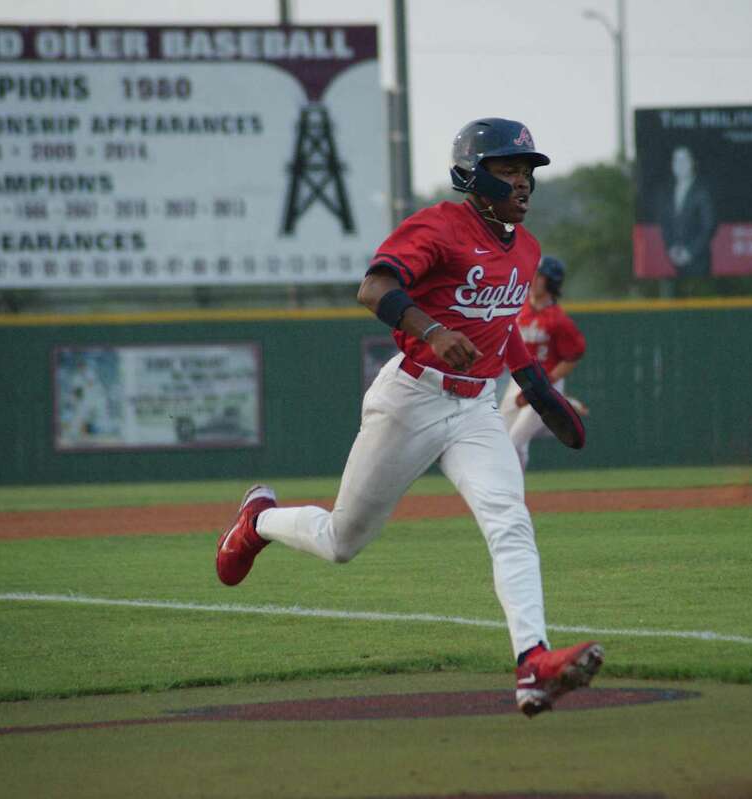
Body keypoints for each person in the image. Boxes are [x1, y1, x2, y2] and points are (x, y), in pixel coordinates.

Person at [214, 117, 600, 717]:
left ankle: (533, 664)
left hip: (476, 407)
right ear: (472, 176)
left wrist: (541, 392)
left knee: (510, 520)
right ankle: (258, 520)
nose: (523, 182)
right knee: (342, 541)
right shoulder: (440, 225)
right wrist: (433, 330)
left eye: (528, 171)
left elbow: (503, 333)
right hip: (412, 396)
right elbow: (374, 288)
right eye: (508, 170)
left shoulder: (526, 250)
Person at [500, 255, 587, 470]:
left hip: (546, 384)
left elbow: (572, 357)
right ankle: (564, 408)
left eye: (540, 276)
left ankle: (513, 489)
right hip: (518, 380)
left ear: (551, 282)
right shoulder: (519, 309)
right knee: (501, 440)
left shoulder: (558, 320)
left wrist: (544, 385)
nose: (533, 279)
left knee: (515, 442)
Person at [655, 145, 716, 277]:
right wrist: (670, 248)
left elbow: (709, 227)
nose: (679, 164)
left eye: (684, 160)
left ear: (692, 163)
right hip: (674, 261)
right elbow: (665, 223)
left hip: (698, 262)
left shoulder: (703, 191)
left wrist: (690, 252)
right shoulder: (666, 191)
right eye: (676, 160)